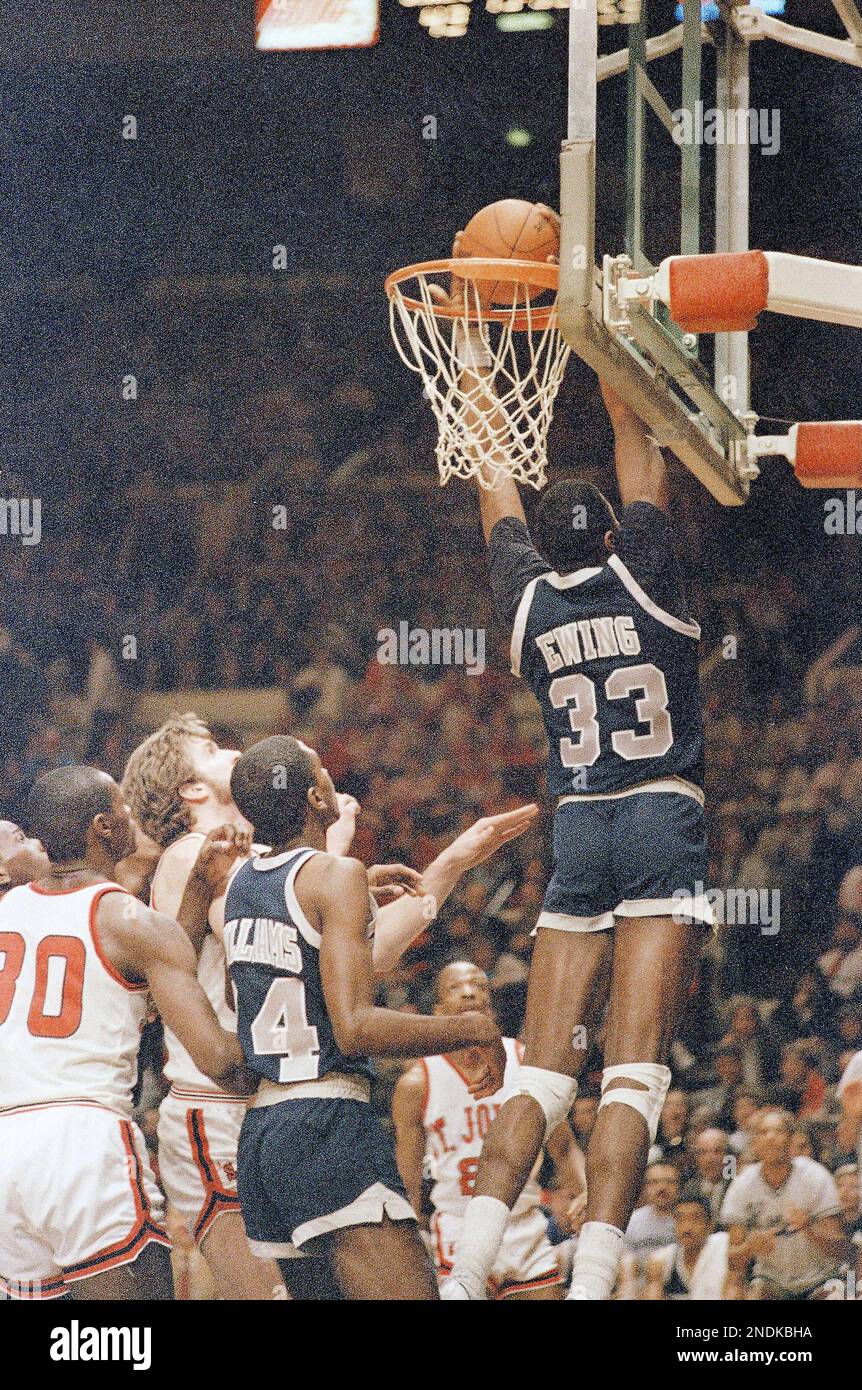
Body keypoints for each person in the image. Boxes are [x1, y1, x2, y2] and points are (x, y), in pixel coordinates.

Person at [440, 341, 712, 1300]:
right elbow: (636, 434)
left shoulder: (525, 603)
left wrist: (478, 374)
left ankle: (469, 1269)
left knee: (541, 1076)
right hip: (659, 815)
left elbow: (493, 484)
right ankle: (594, 1282)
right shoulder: (645, 569)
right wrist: (606, 331)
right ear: (608, 537)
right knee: (634, 1074)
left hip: (581, 825)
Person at [123, 712, 537, 1298]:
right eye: (214, 746)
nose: (233, 749)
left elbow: (354, 961)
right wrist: (333, 860)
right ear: (191, 788)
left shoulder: (253, 864)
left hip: (268, 1109)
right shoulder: (196, 854)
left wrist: (438, 867)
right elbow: (314, 972)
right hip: (223, 1108)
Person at [215, 734, 509, 1300]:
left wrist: (353, 906)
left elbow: (244, 998)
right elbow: (354, 1025)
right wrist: (473, 1027)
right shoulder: (334, 875)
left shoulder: (241, 885)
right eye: (322, 771)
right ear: (315, 799)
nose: (332, 778)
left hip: (264, 1135)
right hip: (325, 1120)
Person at [0, 766, 251, 1301]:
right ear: (102, 828)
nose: (132, 816)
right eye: (122, 809)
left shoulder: (7, 909)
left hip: (6, 1139)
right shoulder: (132, 924)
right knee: (128, 1343)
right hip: (81, 1138)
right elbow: (218, 1059)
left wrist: (193, 897)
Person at [392, 960, 583, 1300]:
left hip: (523, 1223)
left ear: (490, 1006)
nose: (468, 992)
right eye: (455, 987)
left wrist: (582, 1191)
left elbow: (564, 1146)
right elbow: (407, 1175)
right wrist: (409, 1234)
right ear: (437, 1012)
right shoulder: (417, 1082)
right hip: (457, 1225)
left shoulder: (525, 1061)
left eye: (478, 985)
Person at [720, 1109, 849, 1300]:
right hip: (771, 1282)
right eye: (764, 1132)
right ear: (754, 1142)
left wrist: (809, 1229)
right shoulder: (741, 1184)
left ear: (791, 1140)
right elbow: (732, 1263)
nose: (771, 1138)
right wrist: (750, 1247)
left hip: (823, 1279)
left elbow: (844, 1250)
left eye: (779, 1131)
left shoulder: (816, 1176)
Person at [641, 1189, 731, 1301]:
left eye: (695, 1219)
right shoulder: (663, 1259)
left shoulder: (725, 1244)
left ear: (710, 1224)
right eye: (680, 1219)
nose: (687, 1228)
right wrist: (656, 1282)